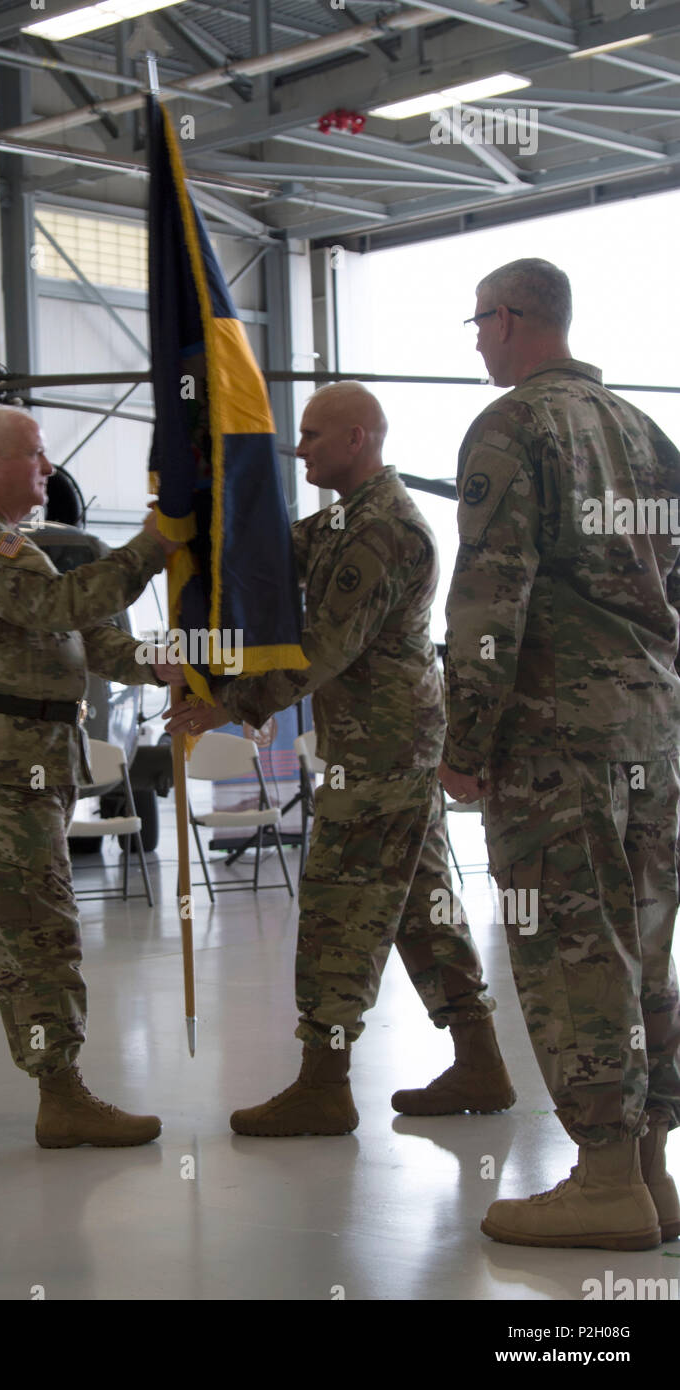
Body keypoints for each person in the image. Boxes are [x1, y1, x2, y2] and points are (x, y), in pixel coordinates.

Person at [166, 382, 513, 1135]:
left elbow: (322, 650)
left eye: (313, 436)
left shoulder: (381, 531)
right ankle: (479, 1060)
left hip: (382, 752)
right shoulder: (344, 521)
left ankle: (324, 1081)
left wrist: (229, 704)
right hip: (387, 746)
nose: (300, 448)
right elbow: (264, 556)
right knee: (423, 908)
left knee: (336, 908)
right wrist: (192, 528)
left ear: (357, 439)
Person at [441, 257, 680, 1250]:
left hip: (555, 734)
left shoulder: (513, 427)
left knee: (570, 948)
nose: (479, 341)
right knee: (644, 950)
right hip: (650, 730)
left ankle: (600, 1177)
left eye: (480, 323)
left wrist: (465, 738)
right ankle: (654, 1171)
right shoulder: (645, 432)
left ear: (509, 319)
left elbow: (491, 597)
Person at [0, 405, 181, 1146]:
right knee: (42, 927)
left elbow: (87, 638)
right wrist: (153, 545)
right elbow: (63, 603)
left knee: (2, 925)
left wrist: (160, 665)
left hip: (30, 763)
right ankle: (61, 1092)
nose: (48, 469)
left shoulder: (15, 545)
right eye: (35, 457)